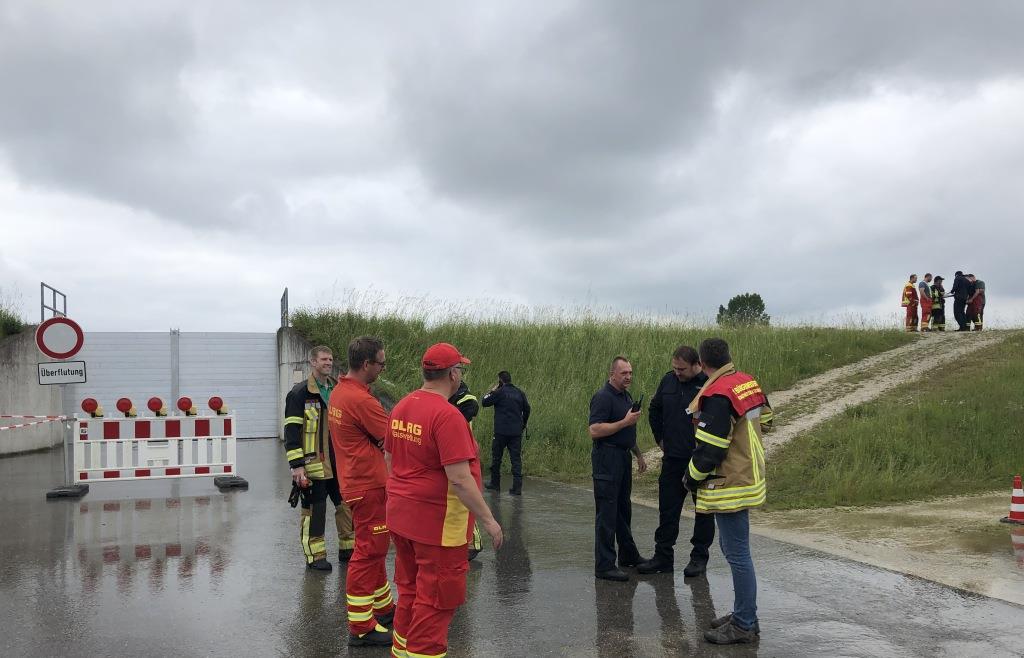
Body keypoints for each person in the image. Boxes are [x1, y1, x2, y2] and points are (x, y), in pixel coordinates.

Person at [385, 342, 503, 658]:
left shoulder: (402, 406)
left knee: (409, 592)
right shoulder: (447, 416)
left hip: (402, 519)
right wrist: (489, 520)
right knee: (436, 602)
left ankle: (401, 652)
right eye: (460, 369)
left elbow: (389, 458)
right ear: (452, 374)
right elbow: (461, 480)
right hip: (437, 528)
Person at [683, 338, 769, 645]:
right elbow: (766, 420)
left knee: (737, 554)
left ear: (703, 365)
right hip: (749, 474)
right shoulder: (746, 383)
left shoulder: (718, 394)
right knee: (736, 551)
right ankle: (746, 614)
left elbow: (710, 451)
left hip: (730, 483)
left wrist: (690, 477)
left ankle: (744, 624)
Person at [327, 336, 395, 647]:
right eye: (381, 363)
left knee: (373, 545)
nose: (383, 368)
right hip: (368, 485)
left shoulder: (341, 392)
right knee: (369, 552)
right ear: (366, 364)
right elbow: (393, 440)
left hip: (354, 482)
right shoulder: (362, 401)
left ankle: (382, 607)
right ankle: (361, 626)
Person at [637, 345, 714, 578]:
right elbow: (654, 410)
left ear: (696, 365)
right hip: (672, 460)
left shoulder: (709, 386)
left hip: (700, 461)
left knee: (703, 512)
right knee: (667, 511)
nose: (677, 372)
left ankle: (698, 559)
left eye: (681, 369)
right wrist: (660, 439)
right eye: (674, 368)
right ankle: (662, 557)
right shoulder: (668, 381)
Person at [283, 345, 355, 571]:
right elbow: (292, 432)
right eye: (324, 359)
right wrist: (297, 466)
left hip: (339, 462)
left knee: (346, 505)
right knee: (316, 510)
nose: (329, 362)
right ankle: (315, 556)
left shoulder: (338, 389)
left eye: (331, 359)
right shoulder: (299, 393)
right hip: (314, 463)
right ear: (312, 362)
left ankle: (348, 549)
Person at [588, 356, 648, 582]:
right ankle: (604, 565)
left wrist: (639, 454)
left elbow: (627, 431)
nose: (629, 377)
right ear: (612, 374)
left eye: (630, 373)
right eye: (624, 373)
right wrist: (624, 422)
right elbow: (594, 430)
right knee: (607, 511)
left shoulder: (626, 396)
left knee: (624, 509)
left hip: (623, 457)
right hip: (607, 457)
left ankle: (628, 555)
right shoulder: (603, 397)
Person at [448, 380, 485, 561]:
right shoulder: (447, 398)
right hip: (459, 453)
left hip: (465, 454)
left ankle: (473, 544)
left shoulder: (466, 398)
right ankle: (469, 543)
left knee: (467, 501)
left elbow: (472, 407)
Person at [482, 371, 532, 495]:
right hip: (516, 432)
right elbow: (527, 409)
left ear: (500, 381)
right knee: (516, 459)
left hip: (501, 432)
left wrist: (493, 391)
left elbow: (484, 402)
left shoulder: (499, 393)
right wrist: (523, 423)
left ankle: (495, 484)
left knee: (496, 458)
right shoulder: (520, 393)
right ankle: (517, 487)